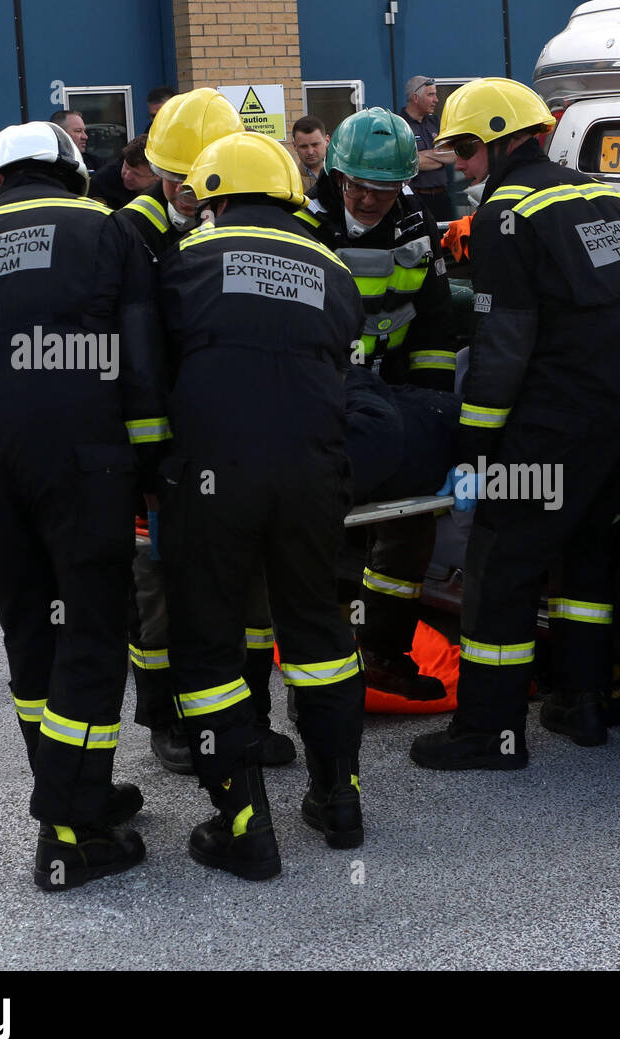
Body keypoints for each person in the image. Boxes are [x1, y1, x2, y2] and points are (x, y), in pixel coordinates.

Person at [0, 121, 169, 891]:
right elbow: (139, 358)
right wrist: (154, 465)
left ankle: (77, 786)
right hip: (79, 460)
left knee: (32, 634)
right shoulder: (105, 228)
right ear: (70, 171)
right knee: (94, 632)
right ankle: (69, 831)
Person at [407, 78, 620, 770]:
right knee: (585, 547)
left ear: (501, 139)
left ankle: (488, 731)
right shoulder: (605, 196)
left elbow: (502, 345)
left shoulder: (508, 213)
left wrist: (474, 446)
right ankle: (581, 704)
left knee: (502, 559)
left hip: (563, 415)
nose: (462, 166)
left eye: (466, 150)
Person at [156, 131, 366, 878]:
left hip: (213, 477)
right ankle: (339, 799)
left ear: (210, 197)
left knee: (209, 644)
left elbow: (158, 365)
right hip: (312, 474)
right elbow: (342, 355)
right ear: (287, 193)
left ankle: (245, 826)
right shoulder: (334, 270)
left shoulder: (182, 264)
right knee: (317, 629)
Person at [114, 87, 297, 775]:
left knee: (248, 579)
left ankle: (248, 713)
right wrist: (146, 454)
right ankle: (165, 718)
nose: (187, 195)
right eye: (174, 181)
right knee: (157, 583)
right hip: (157, 438)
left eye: (196, 184)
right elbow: (128, 359)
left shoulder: (241, 221)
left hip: (231, 433)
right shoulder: (128, 233)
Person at [298, 106, 460, 701]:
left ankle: (385, 652)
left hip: (392, 386)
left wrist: (434, 414)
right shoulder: (304, 225)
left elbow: (435, 323)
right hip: (323, 390)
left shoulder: (418, 222)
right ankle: (319, 674)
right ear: (337, 175)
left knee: (410, 520)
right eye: (360, 188)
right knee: (324, 527)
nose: (370, 200)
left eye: (385, 189)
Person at [397, 76, 455, 221]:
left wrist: (422, 155)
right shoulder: (399, 125)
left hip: (442, 199)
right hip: (416, 199)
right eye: (430, 95)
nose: (436, 100)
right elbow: (406, 162)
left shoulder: (435, 122)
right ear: (415, 98)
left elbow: (453, 155)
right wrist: (438, 156)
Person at [88, 134, 155, 209]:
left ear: (158, 176)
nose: (127, 176)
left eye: (136, 174)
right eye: (126, 167)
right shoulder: (102, 183)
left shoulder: (168, 184)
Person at [291, 115, 329, 194]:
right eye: (304, 146)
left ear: (327, 141)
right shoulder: (289, 182)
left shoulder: (343, 176)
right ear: (295, 146)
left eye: (315, 144)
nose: (310, 152)